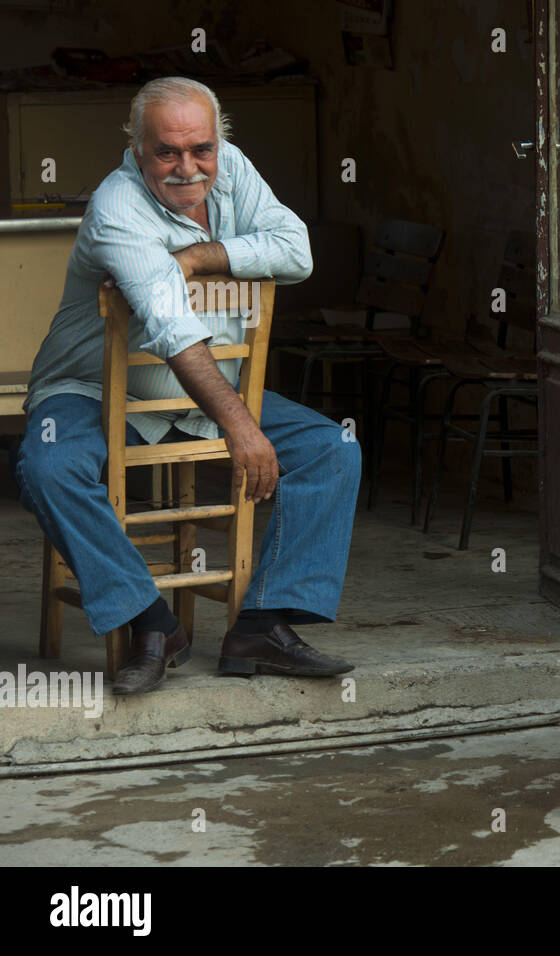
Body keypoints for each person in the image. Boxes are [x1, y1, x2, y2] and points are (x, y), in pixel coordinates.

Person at [12, 77, 360, 695]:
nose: (187, 167)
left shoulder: (232, 171)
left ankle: (261, 625)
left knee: (333, 450)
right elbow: (172, 330)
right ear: (134, 148)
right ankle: (152, 622)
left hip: (206, 395)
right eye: (166, 153)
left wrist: (202, 256)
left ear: (219, 140)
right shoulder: (116, 207)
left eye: (201, 148)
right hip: (94, 391)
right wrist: (241, 425)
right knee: (47, 465)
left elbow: (297, 252)